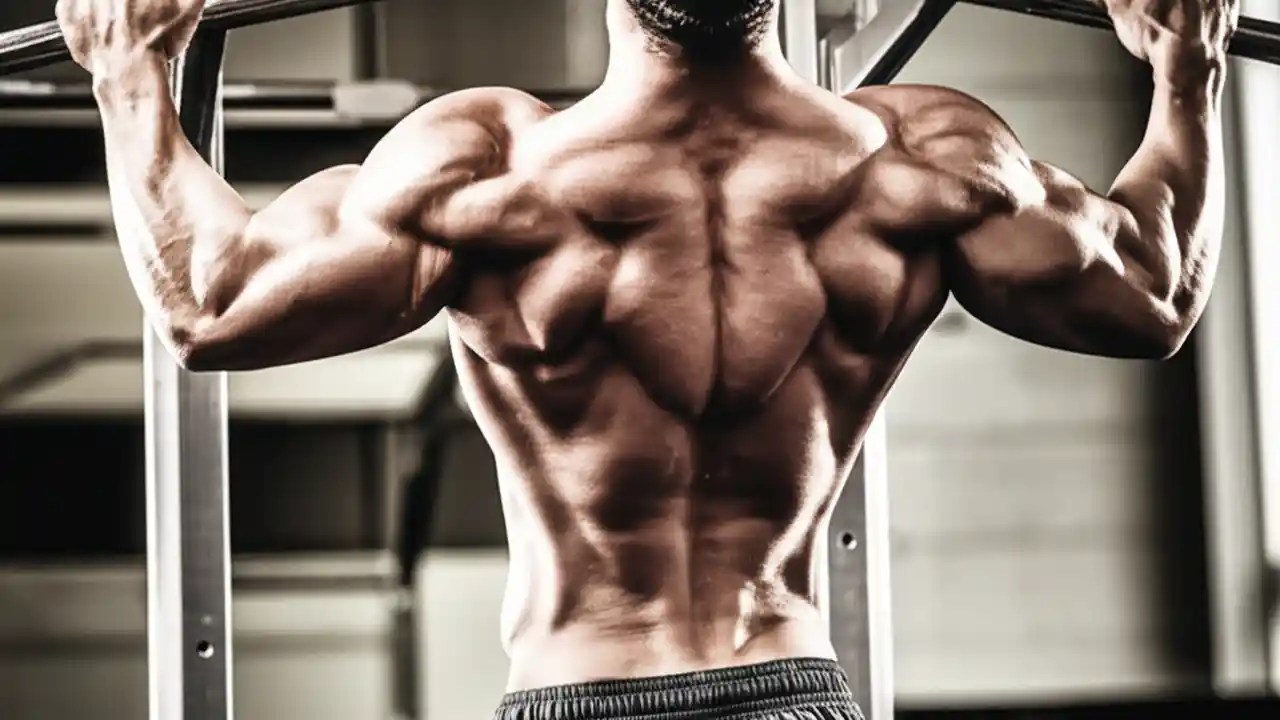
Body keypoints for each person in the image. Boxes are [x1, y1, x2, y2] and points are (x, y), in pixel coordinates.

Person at [54, 0, 1237, 717]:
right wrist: (1184, 78)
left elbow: (213, 302)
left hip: (580, 688)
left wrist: (129, 76)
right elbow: (1152, 288)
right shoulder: (919, 163)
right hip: (786, 687)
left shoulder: (487, 175)